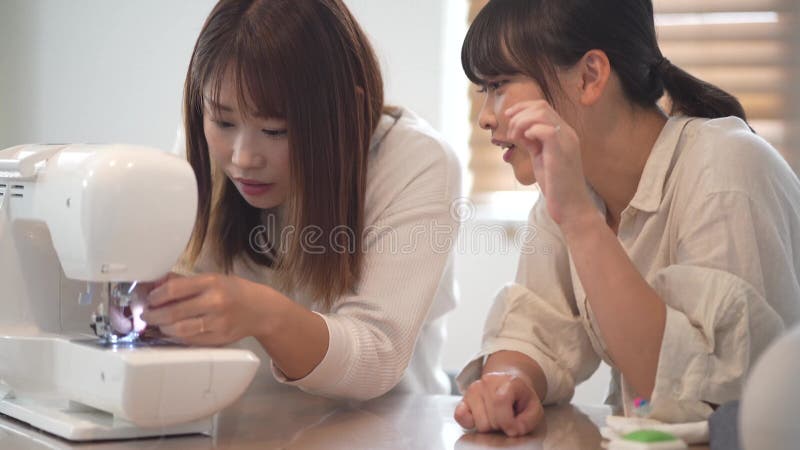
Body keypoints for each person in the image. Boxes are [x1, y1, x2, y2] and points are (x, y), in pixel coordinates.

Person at [453, 0, 800, 437]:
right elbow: (536, 329)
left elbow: (706, 403)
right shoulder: (569, 187)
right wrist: (509, 381)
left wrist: (580, 219)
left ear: (590, 76)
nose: (485, 116)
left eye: (499, 84)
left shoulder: (724, 170)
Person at [139, 0, 461, 400]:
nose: (242, 158)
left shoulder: (416, 161)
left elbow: (376, 357)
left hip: (386, 431)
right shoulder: (204, 149)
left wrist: (263, 314)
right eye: (223, 122)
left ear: (348, 111)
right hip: (248, 430)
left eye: (275, 130)